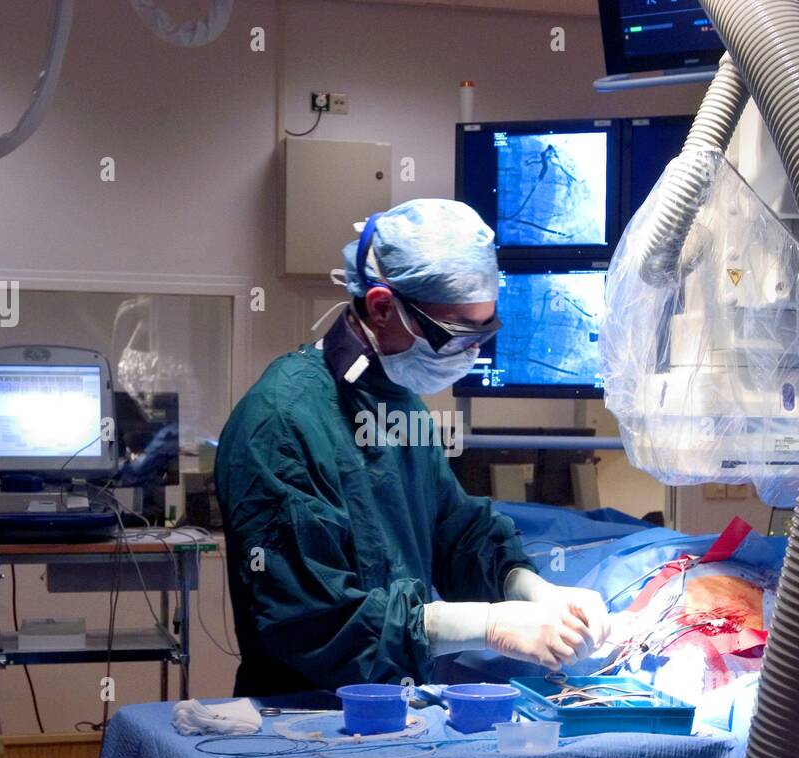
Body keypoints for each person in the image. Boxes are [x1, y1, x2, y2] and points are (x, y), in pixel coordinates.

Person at [216, 198, 609, 695]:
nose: (470, 354)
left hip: (398, 713)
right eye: (456, 334)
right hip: (302, 724)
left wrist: (532, 590)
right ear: (382, 307)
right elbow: (311, 621)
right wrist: (485, 625)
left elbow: (456, 532)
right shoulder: (281, 423)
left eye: (483, 333)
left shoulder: (398, 406)